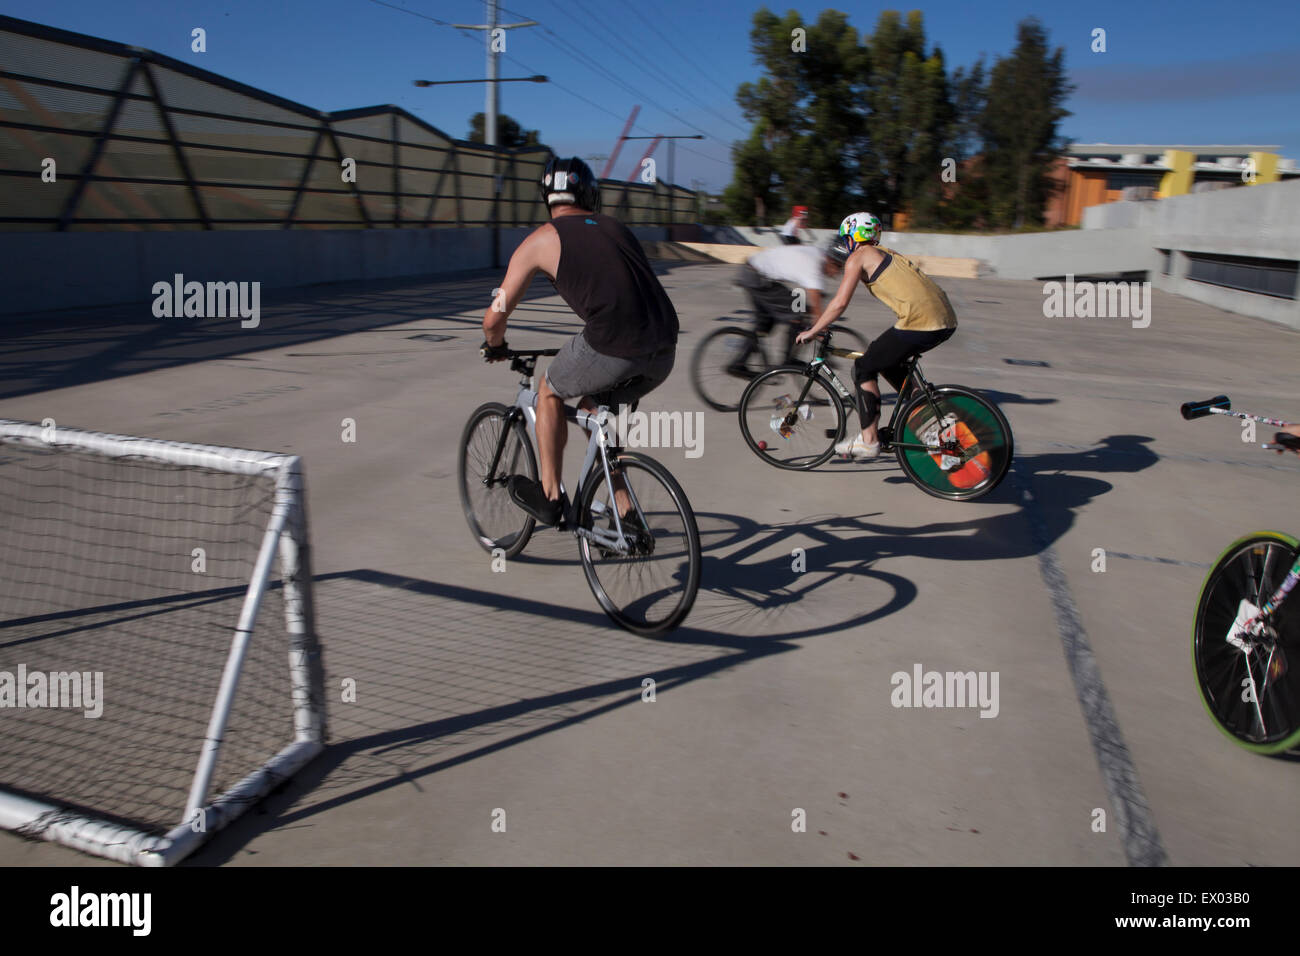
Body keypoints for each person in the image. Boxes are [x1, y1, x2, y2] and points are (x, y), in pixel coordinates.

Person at [480, 156, 679, 526]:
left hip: (614, 342)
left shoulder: (539, 240)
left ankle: (551, 496)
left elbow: (495, 317)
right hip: (665, 347)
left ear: (547, 197)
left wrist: (494, 343)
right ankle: (626, 512)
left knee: (549, 390)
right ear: (589, 194)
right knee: (592, 411)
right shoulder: (617, 228)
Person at [795, 211, 957, 460]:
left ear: (853, 237)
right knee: (884, 359)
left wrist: (814, 330)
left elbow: (839, 304)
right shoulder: (888, 253)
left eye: (845, 237)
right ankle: (923, 407)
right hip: (944, 319)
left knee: (863, 367)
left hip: (921, 321)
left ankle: (869, 440)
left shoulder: (858, 257)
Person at [730, 240, 848, 376]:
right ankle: (788, 360)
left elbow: (815, 294)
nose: (838, 273)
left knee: (765, 324)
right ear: (831, 261)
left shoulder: (818, 255)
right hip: (758, 277)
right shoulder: (814, 267)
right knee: (797, 313)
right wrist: (822, 330)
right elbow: (817, 310)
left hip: (751, 271)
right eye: (839, 268)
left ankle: (738, 363)